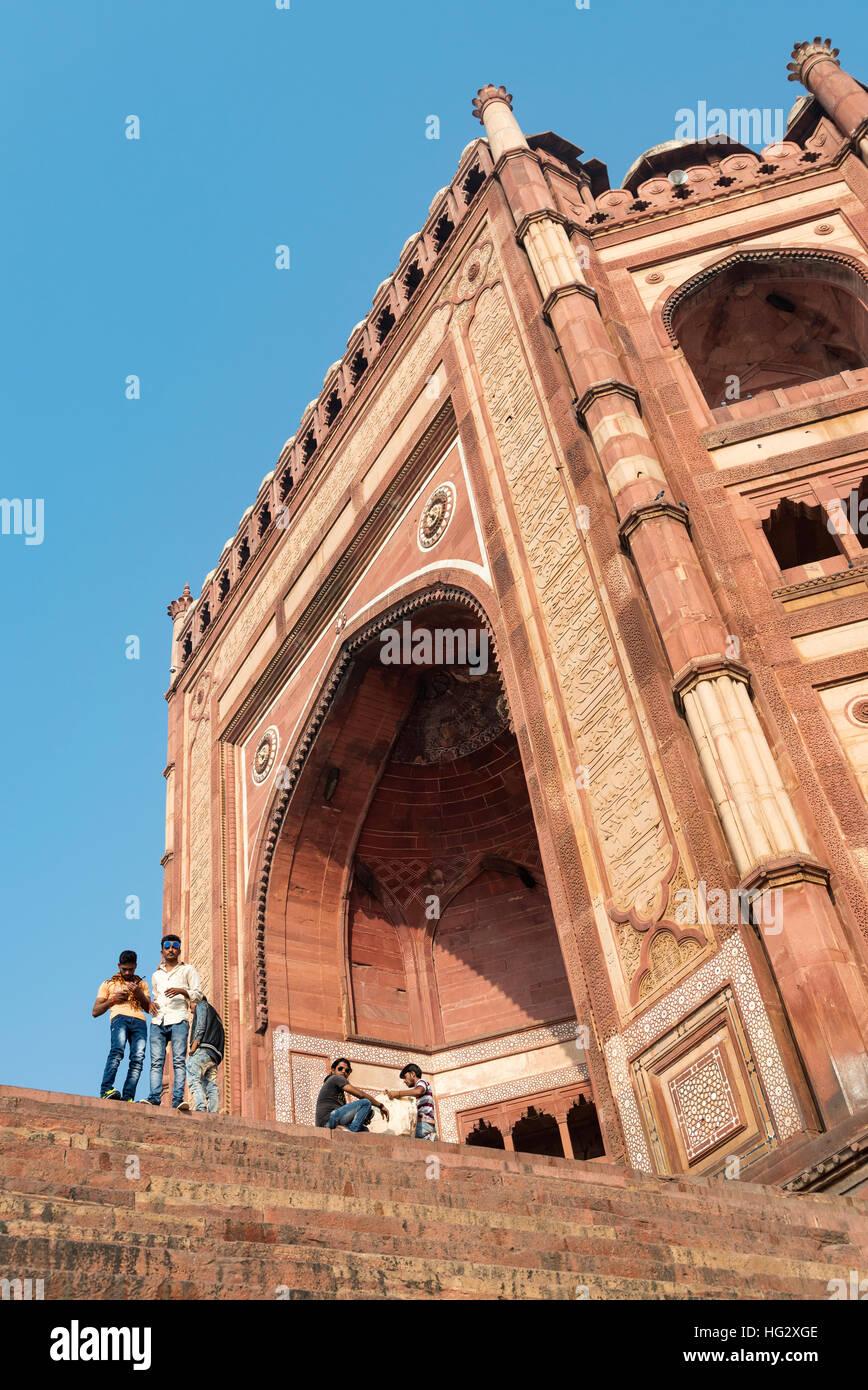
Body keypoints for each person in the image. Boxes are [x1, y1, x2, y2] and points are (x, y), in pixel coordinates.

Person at [140, 934, 201, 1109]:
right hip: (158, 1020)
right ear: (162, 951)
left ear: (179, 950)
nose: (171, 949)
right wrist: (151, 1004)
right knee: (156, 1062)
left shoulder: (188, 970)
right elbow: (156, 996)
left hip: (178, 1018)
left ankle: (177, 1099)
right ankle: (154, 1097)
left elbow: (198, 993)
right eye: (168, 946)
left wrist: (182, 991)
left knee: (179, 1060)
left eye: (175, 946)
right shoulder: (156, 975)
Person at [92, 950, 151, 1101]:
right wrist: (113, 1000)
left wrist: (138, 992)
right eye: (124, 969)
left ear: (135, 967)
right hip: (119, 1018)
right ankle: (106, 1090)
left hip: (139, 1021)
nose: (127, 972)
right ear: (119, 966)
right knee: (117, 1052)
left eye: (130, 969)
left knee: (138, 1059)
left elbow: (148, 1008)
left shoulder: (142, 984)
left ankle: (128, 1097)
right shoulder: (109, 984)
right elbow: (95, 1011)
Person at [314, 1058, 389, 1132]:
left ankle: (345, 1130)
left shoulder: (337, 1090)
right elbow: (361, 1095)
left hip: (331, 1122)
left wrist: (363, 1117)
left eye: (347, 1070)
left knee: (364, 1129)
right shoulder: (335, 1078)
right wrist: (380, 1106)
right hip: (327, 1120)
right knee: (366, 1103)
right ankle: (351, 1131)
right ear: (333, 1070)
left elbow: (345, 1114)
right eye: (340, 1068)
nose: (343, 1071)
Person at [187, 994, 224, 1113]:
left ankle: (200, 1107)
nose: (191, 1010)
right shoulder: (216, 1015)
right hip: (214, 1055)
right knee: (210, 1084)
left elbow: (200, 1026)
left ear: (195, 1000)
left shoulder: (202, 1005)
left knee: (193, 1078)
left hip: (203, 1050)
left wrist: (193, 1046)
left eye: (190, 1006)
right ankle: (213, 1111)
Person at [386, 1063, 437, 1140]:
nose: (404, 1081)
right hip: (425, 1124)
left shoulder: (422, 1082)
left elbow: (419, 1091)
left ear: (413, 1074)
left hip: (422, 1124)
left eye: (405, 1077)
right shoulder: (414, 1092)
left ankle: (429, 1137)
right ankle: (430, 1137)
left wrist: (398, 1093)